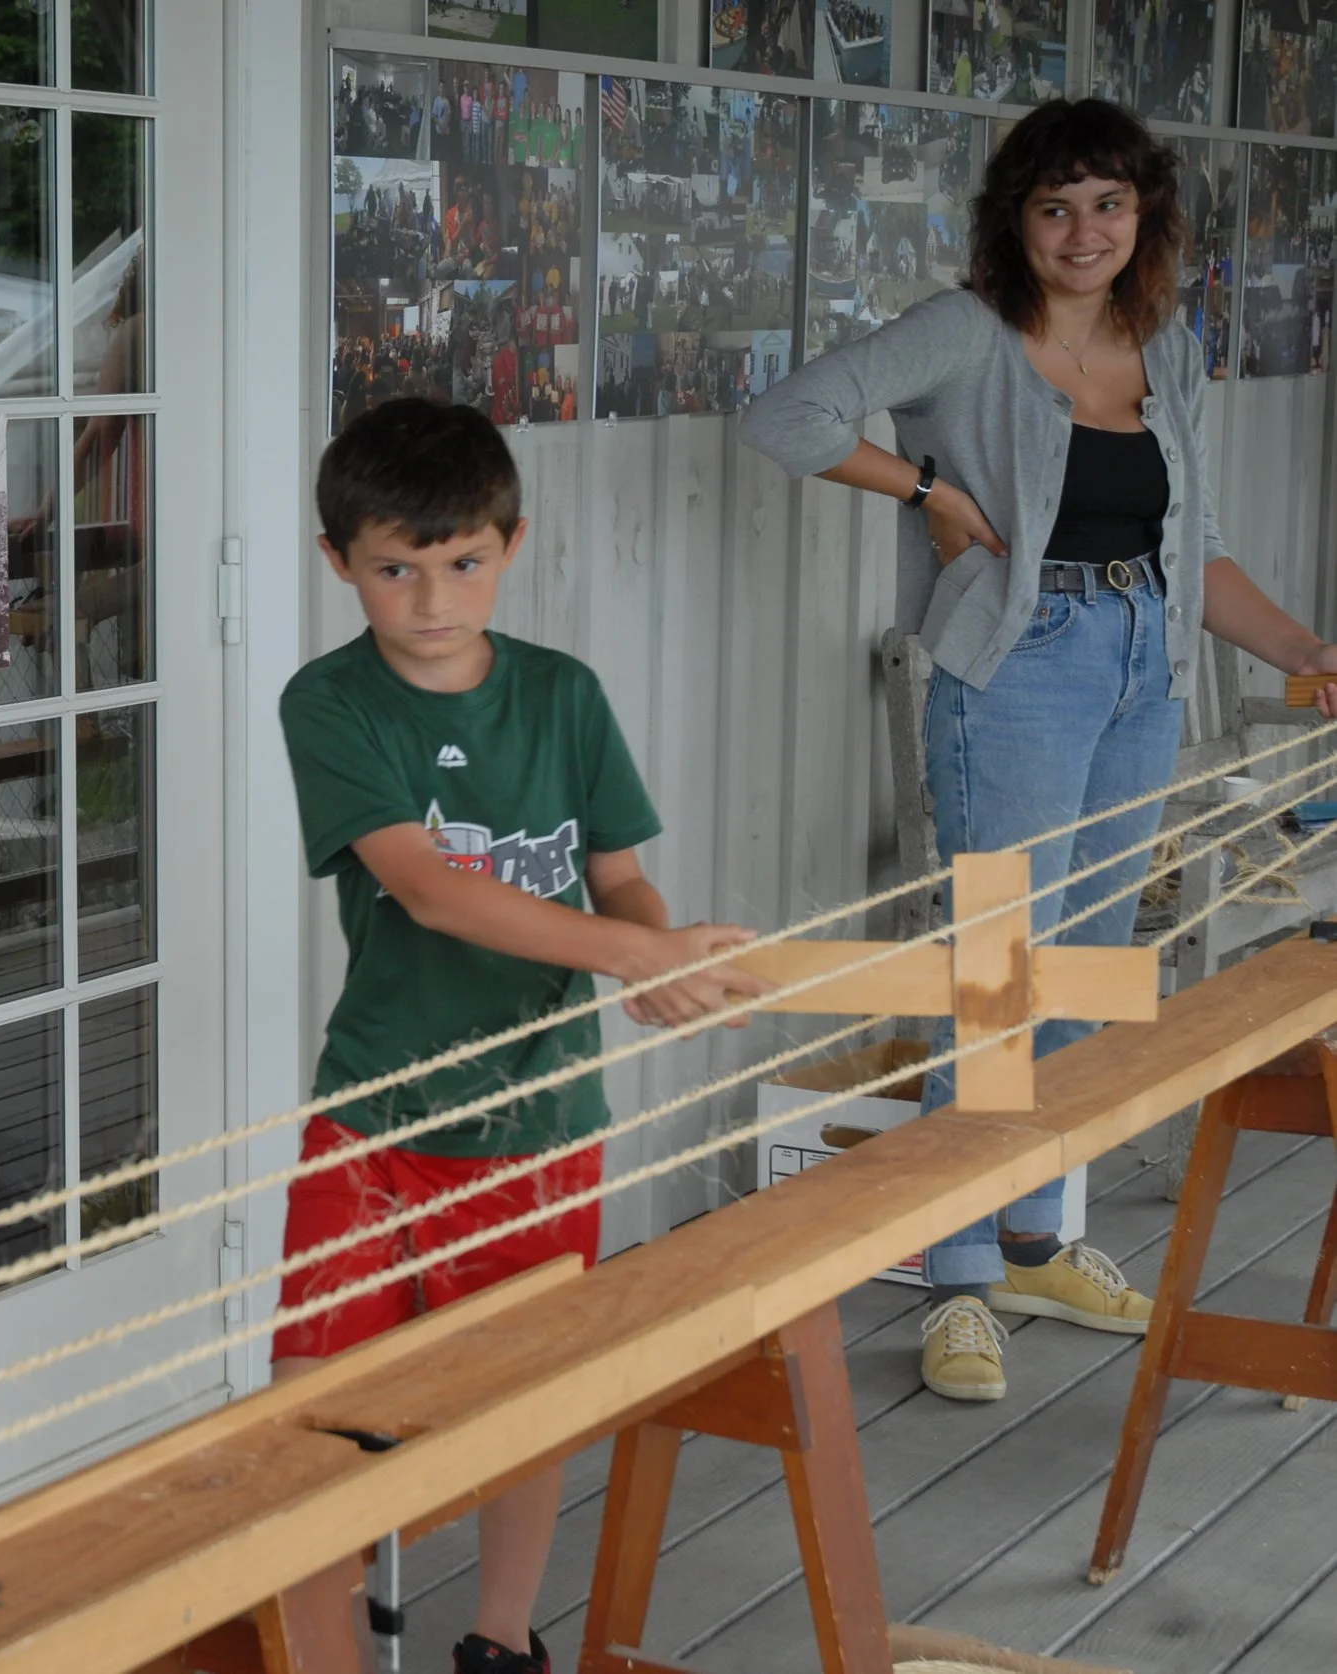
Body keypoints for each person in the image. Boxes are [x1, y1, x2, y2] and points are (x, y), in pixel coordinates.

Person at [742, 100, 1337, 1405]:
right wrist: (928, 491)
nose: (1082, 233)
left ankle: (1034, 1239)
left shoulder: (1164, 346)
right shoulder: (966, 332)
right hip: (1018, 668)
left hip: (1142, 665)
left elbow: (1197, 548)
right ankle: (959, 1275)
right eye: (1055, 207)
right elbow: (787, 415)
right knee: (998, 972)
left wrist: (1305, 650)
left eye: (1108, 205)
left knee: (1083, 966)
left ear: (1144, 215)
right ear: (1014, 219)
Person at [270, 401, 768, 1674]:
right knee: (314, 1414)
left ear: (513, 544)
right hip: (373, 1117)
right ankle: (321, 1655)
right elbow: (427, 890)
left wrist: (652, 954)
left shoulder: (563, 696)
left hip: (540, 1124)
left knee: (520, 1405)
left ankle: (500, 1637)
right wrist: (632, 956)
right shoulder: (330, 703)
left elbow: (622, 884)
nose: (433, 599)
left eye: (464, 562)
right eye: (395, 569)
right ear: (337, 563)